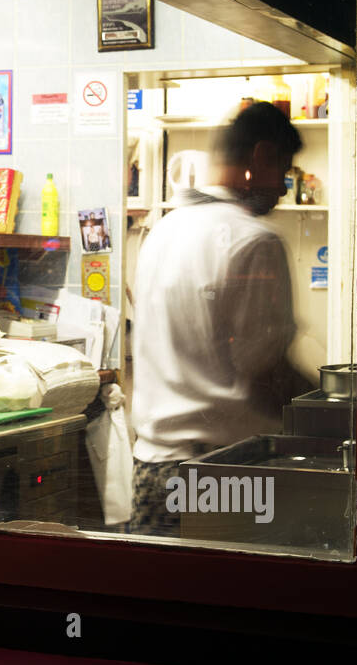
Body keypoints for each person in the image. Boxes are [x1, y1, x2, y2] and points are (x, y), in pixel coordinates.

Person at [128, 102, 310, 536]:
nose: (283, 190)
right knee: (234, 600)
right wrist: (332, 410)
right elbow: (266, 379)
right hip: (221, 475)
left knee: (158, 599)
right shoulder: (255, 241)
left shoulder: (165, 230)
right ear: (260, 157)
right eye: (284, 172)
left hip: (150, 471)